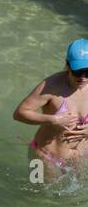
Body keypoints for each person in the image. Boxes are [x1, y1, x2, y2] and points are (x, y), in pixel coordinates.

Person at [13, 39, 88, 175]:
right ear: (68, 65)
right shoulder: (52, 85)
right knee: (38, 195)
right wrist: (53, 119)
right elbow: (20, 113)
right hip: (45, 156)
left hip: (79, 157)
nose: (83, 78)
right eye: (78, 71)